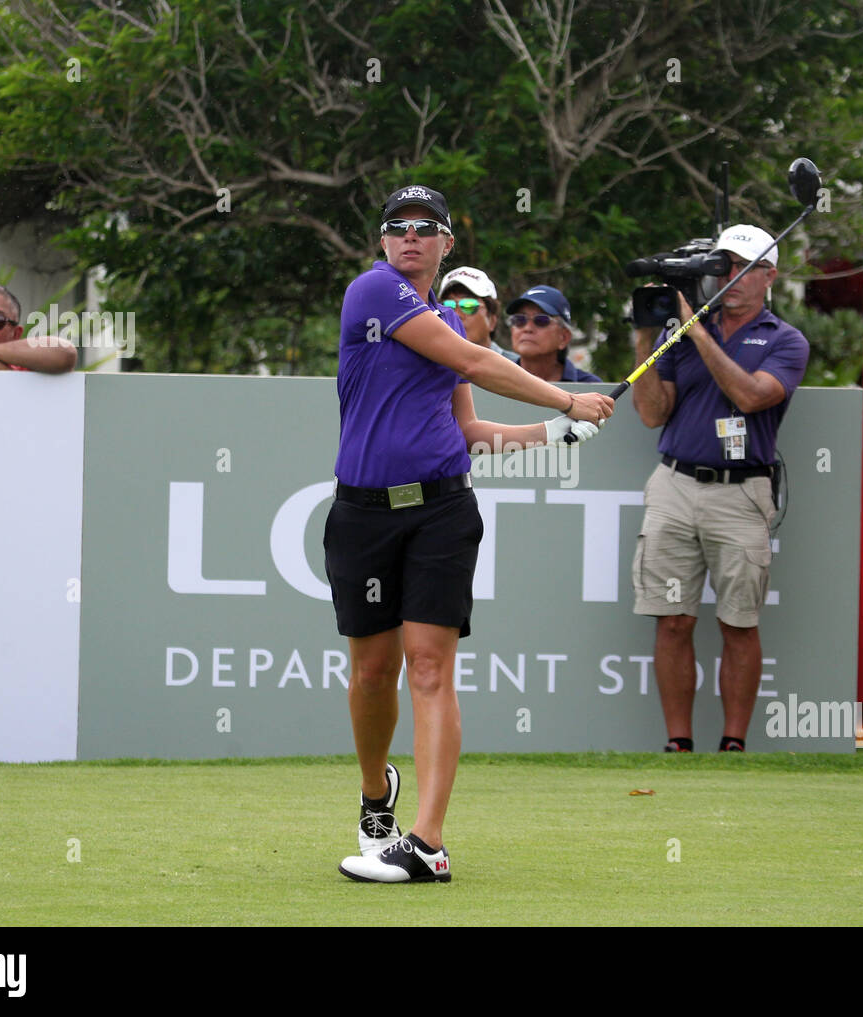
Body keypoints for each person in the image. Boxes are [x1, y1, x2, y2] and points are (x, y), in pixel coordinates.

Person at [327, 184, 614, 883]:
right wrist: (566, 396)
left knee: (429, 665)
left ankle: (427, 842)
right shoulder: (372, 291)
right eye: (398, 226)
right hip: (363, 511)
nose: (411, 237)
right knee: (372, 673)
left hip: (442, 511)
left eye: (427, 228)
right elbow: (481, 364)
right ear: (384, 241)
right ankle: (376, 797)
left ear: (447, 243)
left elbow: (469, 432)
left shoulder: (448, 329)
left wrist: (556, 432)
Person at [630, 224, 809, 753]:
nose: (729, 277)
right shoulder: (680, 333)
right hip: (675, 483)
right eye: (721, 266)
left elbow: (753, 396)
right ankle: (678, 743)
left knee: (738, 622)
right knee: (673, 620)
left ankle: (733, 744)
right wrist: (646, 334)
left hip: (741, 492)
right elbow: (650, 412)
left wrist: (694, 329)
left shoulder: (784, 339)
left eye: (741, 267)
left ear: (768, 277)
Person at [506, 285, 602, 382]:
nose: (527, 328)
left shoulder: (590, 387)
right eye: (519, 319)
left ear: (564, 337)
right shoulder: (498, 381)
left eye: (541, 320)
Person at [438, 266, 518, 362]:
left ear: (492, 320)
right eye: (448, 306)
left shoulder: (519, 367)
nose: (457, 315)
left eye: (469, 306)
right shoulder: (427, 368)